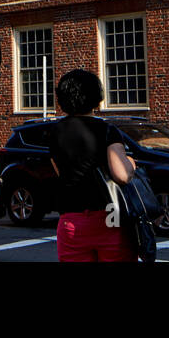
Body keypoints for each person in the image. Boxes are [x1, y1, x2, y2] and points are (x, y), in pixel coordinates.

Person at [48, 69, 137, 262]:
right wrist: (131, 164)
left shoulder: (53, 132)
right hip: (109, 219)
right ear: (95, 96)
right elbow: (121, 175)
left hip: (71, 221)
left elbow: (60, 172)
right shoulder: (106, 130)